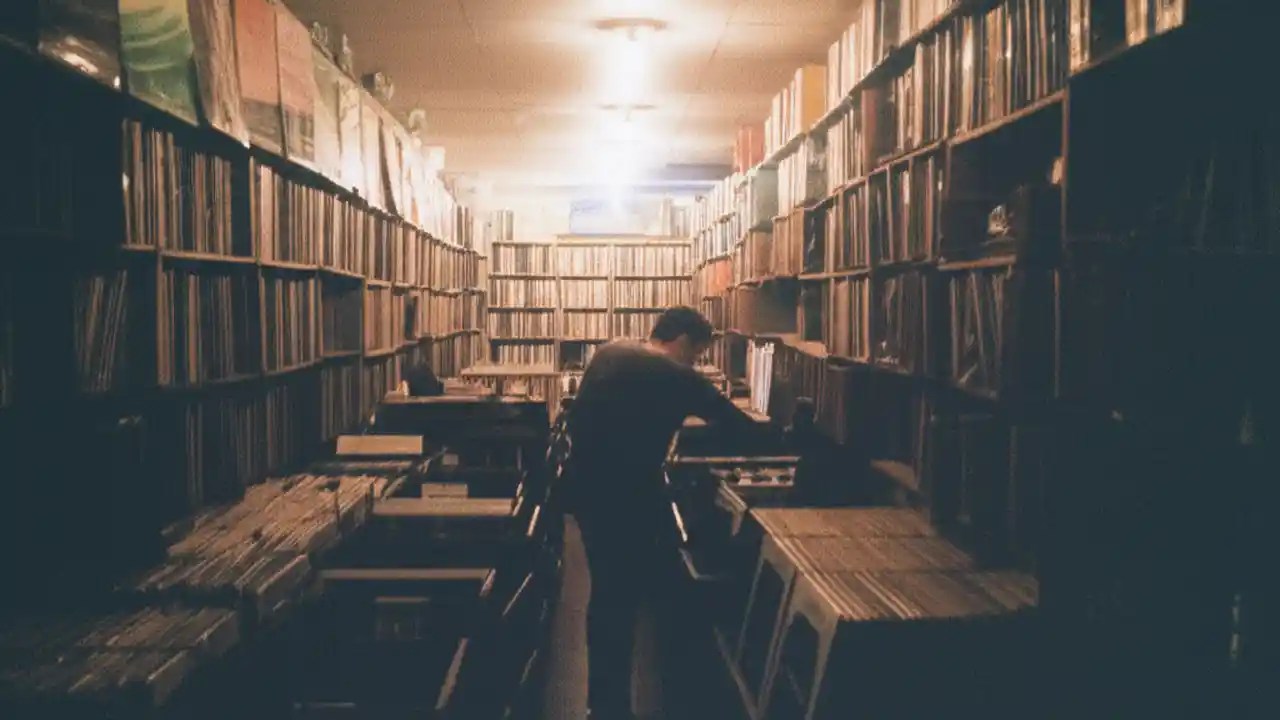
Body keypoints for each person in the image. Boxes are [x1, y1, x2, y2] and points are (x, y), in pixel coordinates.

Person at [565, 306, 769, 720]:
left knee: (608, 595)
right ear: (681, 341)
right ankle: (622, 706)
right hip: (626, 499)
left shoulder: (611, 351)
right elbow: (737, 428)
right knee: (626, 598)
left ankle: (603, 703)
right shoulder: (675, 375)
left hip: (584, 492)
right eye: (696, 353)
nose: (696, 363)